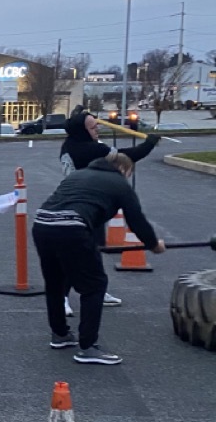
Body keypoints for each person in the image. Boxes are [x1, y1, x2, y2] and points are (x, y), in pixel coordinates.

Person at [32, 155, 165, 365]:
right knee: (94, 286)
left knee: (55, 283)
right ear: (122, 168)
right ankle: (87, 347)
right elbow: (136, 219)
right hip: (72, 227)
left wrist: (92, 244)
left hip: (42, 224)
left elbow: (87, 208)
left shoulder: (78, 175)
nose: (128, 177)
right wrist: (154, 245)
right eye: (129, 173)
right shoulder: (119, 183)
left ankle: (60, 335)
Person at [58, 111, 161, 315]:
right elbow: (127, 157)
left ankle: (97, 290)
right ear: (82, 130)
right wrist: (149, 143)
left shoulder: (72, 144)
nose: (97, 129)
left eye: (97, 125)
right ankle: (62, 297)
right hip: (75, 208)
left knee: (95, 251)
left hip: (92, 207)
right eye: (92, 127)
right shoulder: (89, 149)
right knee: (74, 256)